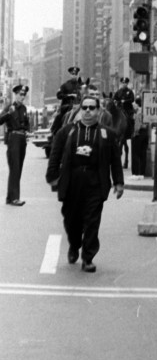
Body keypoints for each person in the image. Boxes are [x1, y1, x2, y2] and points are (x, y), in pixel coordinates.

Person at [46, 94, 124, 272]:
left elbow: (115, 160)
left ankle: (88, 257)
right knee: (71, 221)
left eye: (92, 107)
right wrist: (53, 177)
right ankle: (74, 245)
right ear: (80, 110)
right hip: (72, 182)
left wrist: (119, 183)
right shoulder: (66, 132)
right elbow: (54, 156)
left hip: (95, 182)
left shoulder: (107, 134)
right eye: (85, 107)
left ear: (99, 111)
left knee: (92, 221)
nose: (88, 111)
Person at [0, 84, 31, 206]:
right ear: (15, 94)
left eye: (24, 95)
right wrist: (8, 113)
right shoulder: (10, 107)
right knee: (15, 168)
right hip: (13, 139)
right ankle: (14, 198)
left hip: (22, 139)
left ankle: (10, 197)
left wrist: (27, 130)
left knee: (18, 168)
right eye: (20, 94)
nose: (22, 97)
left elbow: (27, 123)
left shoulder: (24, 108)